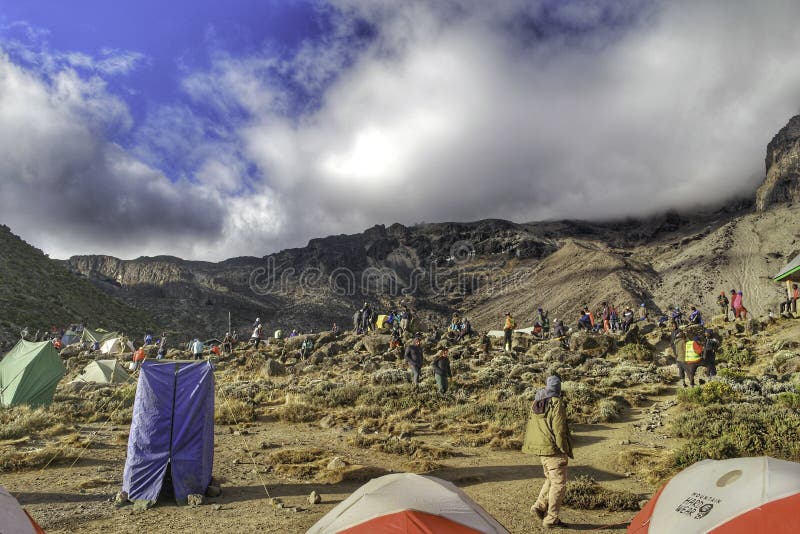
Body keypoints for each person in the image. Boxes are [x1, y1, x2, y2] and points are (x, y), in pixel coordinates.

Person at [523, 375, 573, 529]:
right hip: (553, 449)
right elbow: (559, 429)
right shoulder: (556, 403)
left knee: (551, 479)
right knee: (559, 484)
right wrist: (564, 449)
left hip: (542, 449)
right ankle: (551, 519)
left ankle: (538, 506)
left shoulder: (537, 401)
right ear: (558, 387)